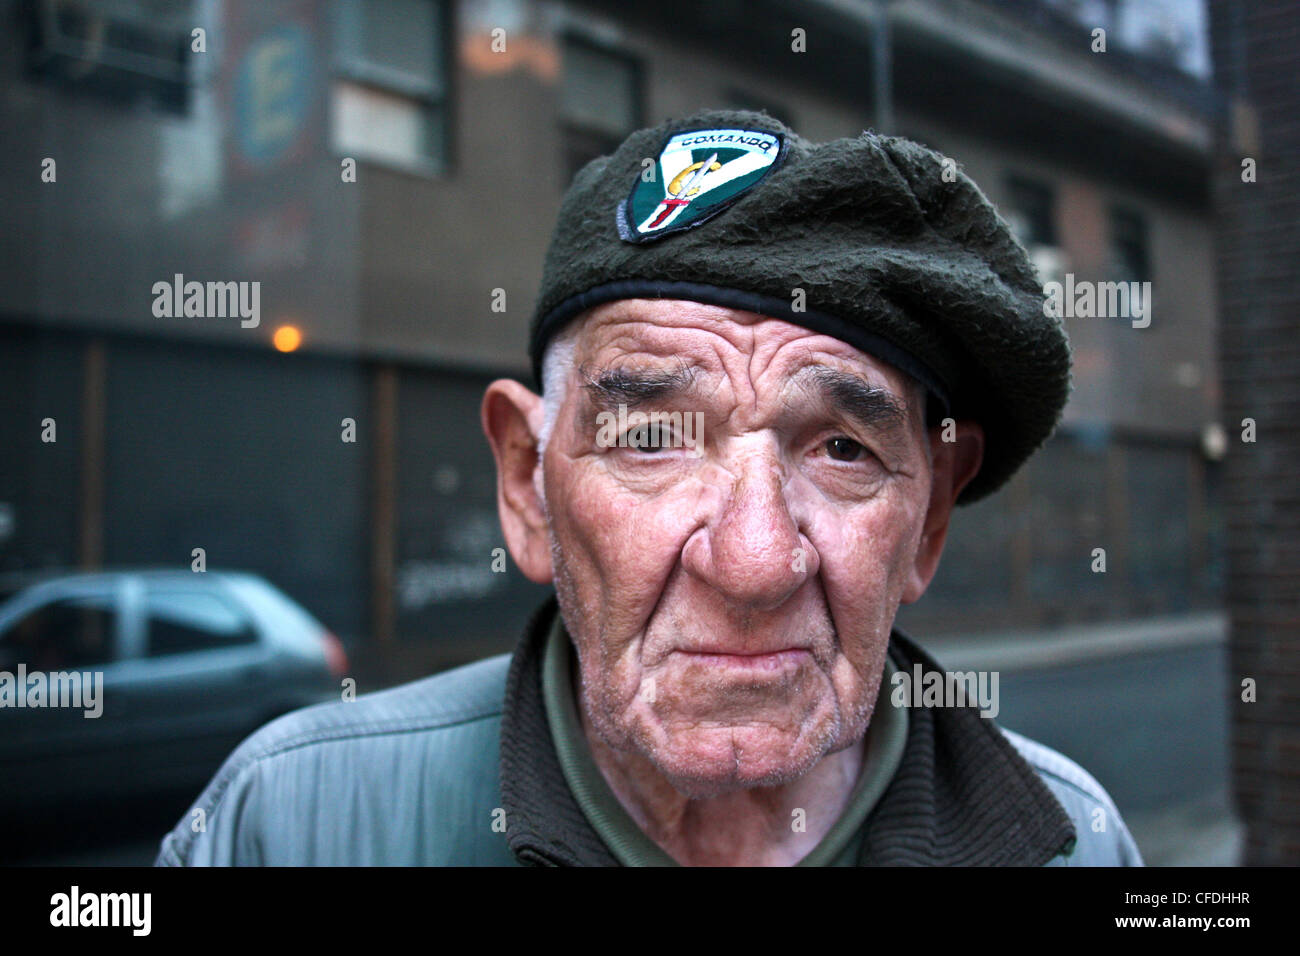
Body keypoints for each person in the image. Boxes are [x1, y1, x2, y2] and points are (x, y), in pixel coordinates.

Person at [156, 109, 1142, 867]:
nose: (754, 560)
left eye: (842, 448)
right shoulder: (292, 826)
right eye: (652, 437)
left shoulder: (1078, 845)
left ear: (926, 517)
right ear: (528, 486)